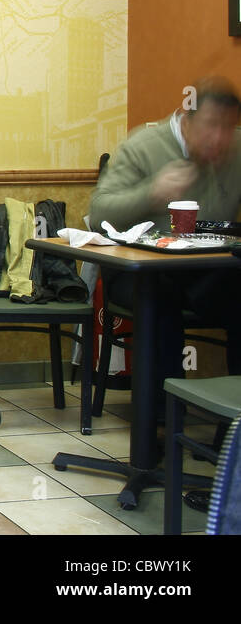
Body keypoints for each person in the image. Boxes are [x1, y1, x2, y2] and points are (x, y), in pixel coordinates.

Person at [89, 76, 241, 426]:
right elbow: (99, 213)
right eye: (210, 126)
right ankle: (159, 427)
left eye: (228, 128)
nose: (219, 139)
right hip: (140, 273)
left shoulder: (235, 151)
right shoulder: (145, 144)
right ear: (186, 118)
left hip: (207, 271)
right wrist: (150, 193)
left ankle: (232, 432)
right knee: (160, 299)